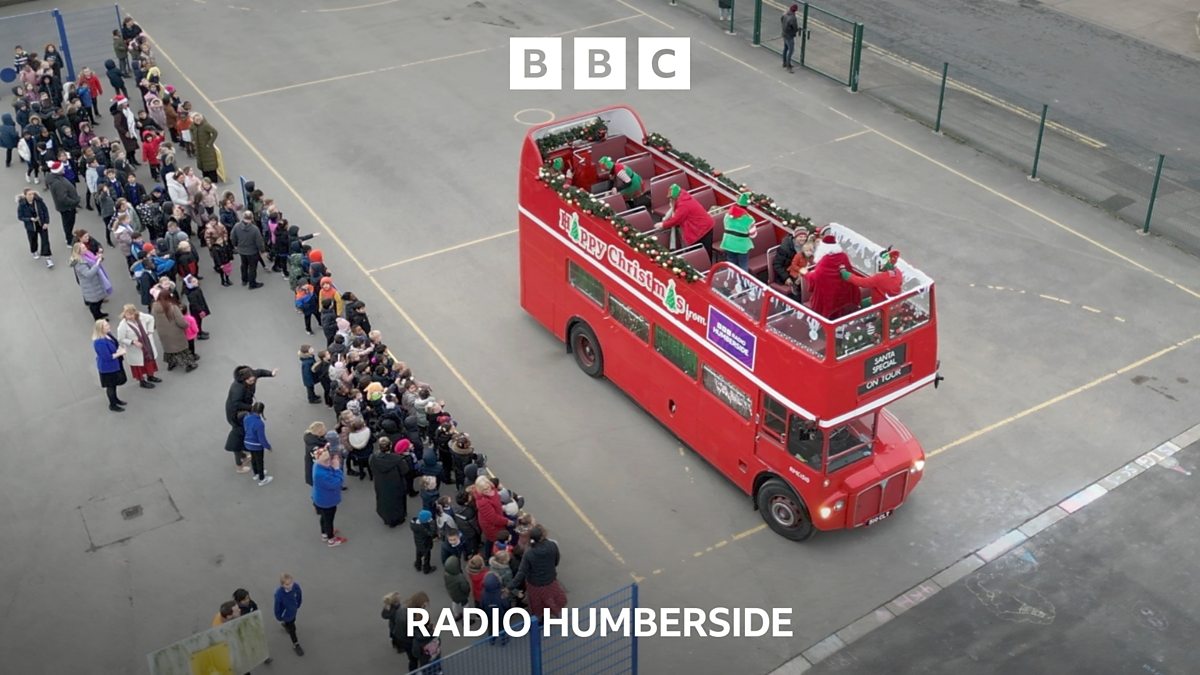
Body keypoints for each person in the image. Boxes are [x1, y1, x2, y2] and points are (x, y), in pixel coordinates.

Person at [225, 365, 277, 474]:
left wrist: (271, 373)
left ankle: (243, 455)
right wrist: (251, 408)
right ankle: (239, 464)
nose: (253, 382)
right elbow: (236, 404)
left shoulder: (251, 375)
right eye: (250, 381)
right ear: (244, 379)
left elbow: (260, 372)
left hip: (243, 410)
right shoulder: (238, 389)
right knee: (239, 438)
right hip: (235, 413)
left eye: (254, 380)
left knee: (242, 434)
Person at [510, 525, 567, 618]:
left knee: (537, 604)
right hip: (550, 581)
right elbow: (556, 561)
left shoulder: (529, 553)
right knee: (551, 600)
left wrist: (510, 587)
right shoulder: (552, 545)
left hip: (535, 584)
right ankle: (551, 613)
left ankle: (540, 618)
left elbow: (521, 572)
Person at [805, 231, 860, 318]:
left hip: (829, 298)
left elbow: (816, 278)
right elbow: (849, 271)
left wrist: (806, 274)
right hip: (844, 296)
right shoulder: (843, 256)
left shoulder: (824, 261)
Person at [655, 183, 714, 258]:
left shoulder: (683, 205)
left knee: (701, 254)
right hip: (704, 227)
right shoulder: (684, 197)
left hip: (703, 229)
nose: (670, 200)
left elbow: (676, 220)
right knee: (704, 252)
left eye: (671, 198)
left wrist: (663, 225)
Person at [116, 304, 161, 389]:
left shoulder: (141, 316)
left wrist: (150, 330)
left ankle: (150, 376)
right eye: (128, 314)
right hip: (135, 348)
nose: (130, 317)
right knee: (138, 365)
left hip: (146, 344)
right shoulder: (123, 325)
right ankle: (142, 381)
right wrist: (132, 342)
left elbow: (151, 318)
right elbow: (121, 338)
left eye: (131, 314)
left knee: (149, 360)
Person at [151, 290, 197, 372]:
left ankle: (171, 363)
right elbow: (180, 321)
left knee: (168, 348)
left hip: (163, 333)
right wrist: (186, 325)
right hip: (175, 332)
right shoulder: (173, 307)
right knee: (181, 349)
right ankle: (189, 364)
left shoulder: (154, 308)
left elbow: (153, 321)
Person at [370, 436, 409, 527]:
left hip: (381, 483)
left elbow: (372, 468)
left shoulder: (374, 458)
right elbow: (405, 470)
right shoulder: (397, 459)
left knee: (384, 500)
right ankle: (398, 518)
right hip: (396, 483)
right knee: (397, 501)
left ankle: (387, 518)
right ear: (390, 446)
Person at [312, 445, 347, 547]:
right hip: (327, 501)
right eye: (326, 461)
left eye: (329, 459)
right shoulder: (322, 475)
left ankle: (325, 533)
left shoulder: (317, 466)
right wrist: (337, 469)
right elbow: (337, 483)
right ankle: (331, 539)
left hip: (320, 499)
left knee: (324, 517)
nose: (329, 462)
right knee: (329, 519)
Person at [93, 319, 128, 412]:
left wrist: (119, 349)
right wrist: (120, 353)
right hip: (108, 368)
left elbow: (115, 344)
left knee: (114, 384)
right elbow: (107, 357)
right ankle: (112, 405)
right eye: (106, 326)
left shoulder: (108, 335)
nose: (109, 326)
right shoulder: (100, 342)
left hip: (115, 364)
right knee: (111, 386)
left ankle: (115, 400)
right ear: (101, 329)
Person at [70, 242, 112, 319]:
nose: (86, 248)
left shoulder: (85, 255)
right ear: (79, 251)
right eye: (83, 248)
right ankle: (97, 318)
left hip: (95, 283)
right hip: (90, 286)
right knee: (94, 304)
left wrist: (97, 258)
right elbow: (89, 274)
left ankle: (99, 314)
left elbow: (92, 261)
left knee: (99, 301)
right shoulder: (79, 263)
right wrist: (97, 263)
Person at [18, 187, 54, 267]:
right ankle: (34, 251)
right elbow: (20, 217)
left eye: (32, 194)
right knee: (33, 240)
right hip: (31, 227)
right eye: (29, 194)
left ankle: (48, 258)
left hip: (41, 224)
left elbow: (45, 210)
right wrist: (30, 219)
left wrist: (46, 222)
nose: (32, 196)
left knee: (45, 241)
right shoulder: (22, 205)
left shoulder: (39, 201)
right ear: (25, 195)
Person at [720, 193, 756, 272]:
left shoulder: (727, 215)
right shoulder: (749, 219)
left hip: (728, 243)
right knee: (743, 266)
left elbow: (725, 226)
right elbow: (753, 235)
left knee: (731, 264)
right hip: (742, 246)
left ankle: (732, 277)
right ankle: (743, 280)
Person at [230, 210, 266, 288]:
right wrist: (262, 250)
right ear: (252, 218)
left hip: (242, 251)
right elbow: (259, 242)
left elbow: (232, 237)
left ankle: (244, 280)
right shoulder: (255, 229)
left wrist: (235, 245)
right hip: (252, 251)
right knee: (252, 267)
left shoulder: (236, 226)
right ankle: (252, 284)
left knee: (244, 265)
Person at [273, 573, 304, 656]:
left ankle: (286, 625)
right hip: (286, 614)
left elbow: (299, 594)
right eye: (287, 584)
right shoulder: (279, 594)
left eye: (291, 583)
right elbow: (277, 607)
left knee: (293, 620)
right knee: (293, 628)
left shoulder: (295, 586)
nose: (290, 586)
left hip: (293, 610)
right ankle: (296, 644)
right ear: (282, 585)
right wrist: (279, 616)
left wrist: (298, 604)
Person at [243, 402, 273, 486]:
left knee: (254, 459)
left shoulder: (246, 417)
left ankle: (256, 473)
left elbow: (245, 429)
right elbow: (261, 438)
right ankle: (262, 478)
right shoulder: (259, 424)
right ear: (261, 411)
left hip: (247, 442)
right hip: (256, 445)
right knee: (260, 461)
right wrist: (268, 447)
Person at [191, 113, 219, 182]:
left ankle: (213, 180)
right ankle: (206, 179)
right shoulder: (193, 126)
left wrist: (209, 143)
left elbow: (215, 132)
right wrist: (193, 139)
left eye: (199, 119)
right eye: (196, 120)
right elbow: (191, 130)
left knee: (210, 166)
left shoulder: (205, 125)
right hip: (199, 150)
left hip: (207, 150)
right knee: (203, 166)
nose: (198, 121)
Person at [411, 509, 438, 574]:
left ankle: (418, 565)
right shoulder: (423, 529)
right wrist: (432, 523)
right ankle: (426, 569)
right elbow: (431, 533)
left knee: (418, 553)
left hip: (418, 542)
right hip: (425, 544)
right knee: (427, 556)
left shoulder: (414, 524)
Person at [443, 556, 470, 621]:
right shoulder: (460, 577)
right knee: (465, 604)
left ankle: (456, 615)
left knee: (455, 603)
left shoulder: (446, 574)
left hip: (452, 593)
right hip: (461, 594)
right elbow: (465, 588)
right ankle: (466, 619)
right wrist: (467, 591)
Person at [302, 421, 327, 487]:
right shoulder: (313, 446)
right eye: (324, 429)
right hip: (316, 469)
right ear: (319, 432)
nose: (326, 430)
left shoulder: (314, 439)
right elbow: (319, 458)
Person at [781, 4, 799, 72]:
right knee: (791, 50)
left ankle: (784, 63)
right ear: (795, 11)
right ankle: (788, 66)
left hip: (784, 34)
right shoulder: (793, 18)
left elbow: (781, 20)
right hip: (789, 36)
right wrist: (796, 30)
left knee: (785, 49)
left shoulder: (785, 14)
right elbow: (795, 28)